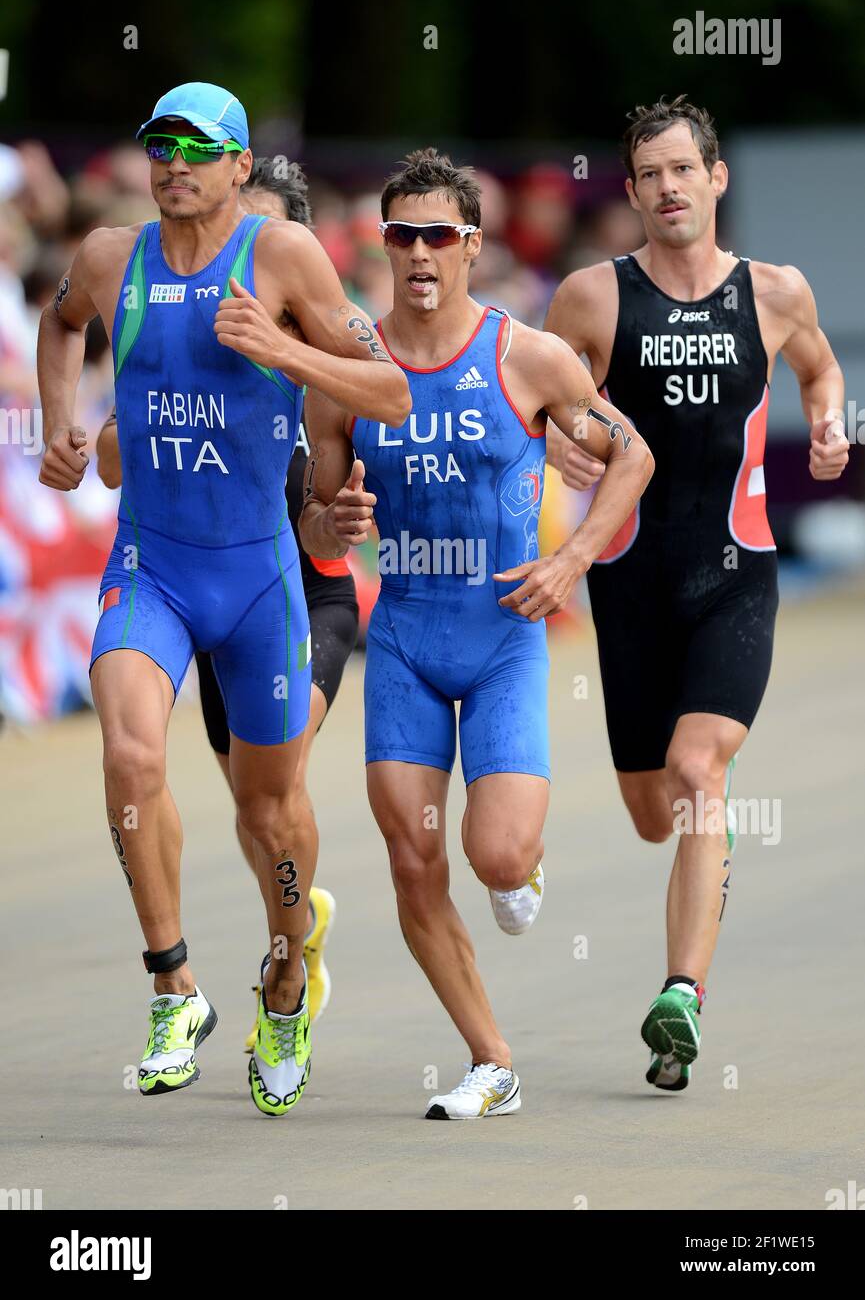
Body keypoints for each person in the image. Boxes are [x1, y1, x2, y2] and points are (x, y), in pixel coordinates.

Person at [37, 82, 409, 1117]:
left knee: (270, 811)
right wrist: (66, 427)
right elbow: (61, 321)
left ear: (241, 165)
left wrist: (281, 349)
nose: (174, 161)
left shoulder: (281, 259)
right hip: (149, 564)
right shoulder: (115, 257)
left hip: (259, 584)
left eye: (199, 147)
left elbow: (388, 388)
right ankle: (173, 983)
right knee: (130, 756)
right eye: (160, 143)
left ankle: (286, 974)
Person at [300, 148, 652, 1119]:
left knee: (493, 857)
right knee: (412, 858)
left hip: (501, 637)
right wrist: (331, 527)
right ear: (384, 243)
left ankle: (520, 859)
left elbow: (633, 456)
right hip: (405, 640)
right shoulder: (345, 369)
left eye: (439, 235)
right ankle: (490, 1057)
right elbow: (315, 520)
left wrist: (573, 557)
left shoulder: (526, 355)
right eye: (402, 234)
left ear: (470, 247)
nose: (419, 251)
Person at [545, 95, 849, 1090]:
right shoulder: (590, 299)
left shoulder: (775, 290)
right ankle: (701, 874)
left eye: (684, 169)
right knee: (650, 810)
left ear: (715, 178)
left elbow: (816, 367)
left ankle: (681, 995)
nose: (668, 188)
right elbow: (545, 409)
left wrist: (829, 418)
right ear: (629, 192)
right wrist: (562, 443)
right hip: (629, 586)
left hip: (735, 573)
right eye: (649, 175)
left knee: (696, 772)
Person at [94, 158, 357, 1043]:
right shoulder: (172, 324)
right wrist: (108, 431)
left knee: (272, 803)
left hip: (304, 596)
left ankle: (290, 957)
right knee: (243, 809)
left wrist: (338, 515)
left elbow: (331, 524)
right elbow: (115, 450)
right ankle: (256, 943)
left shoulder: (318, 362)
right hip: (184, 587)